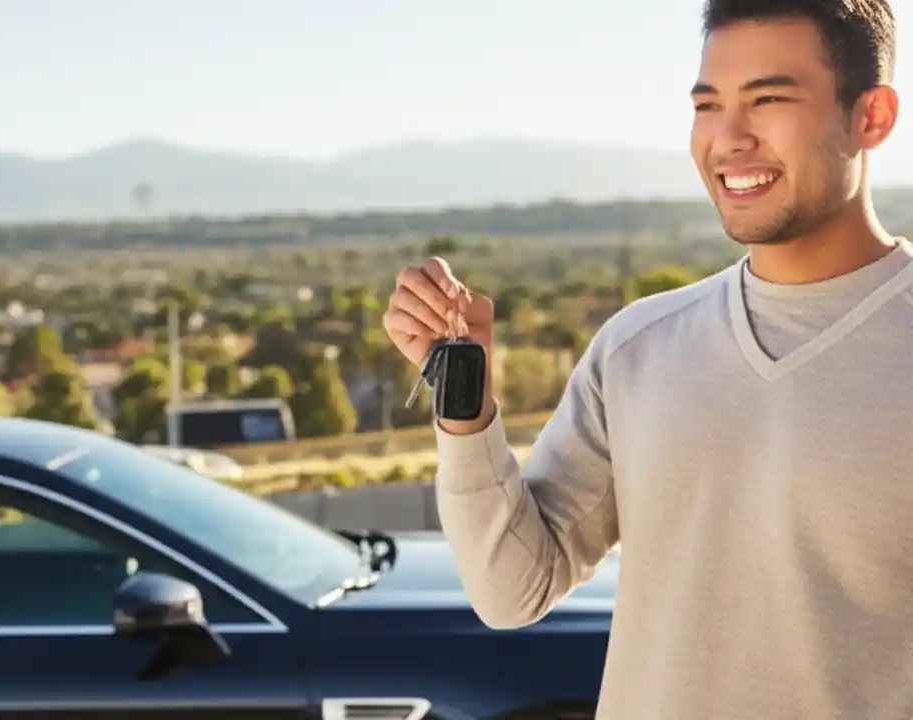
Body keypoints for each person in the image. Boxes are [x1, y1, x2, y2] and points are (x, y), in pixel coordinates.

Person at [383, 1, 907, 718]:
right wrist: (464, 407)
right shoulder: (637, 350)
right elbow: (513, 590)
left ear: (871, 116)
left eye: (769, 99)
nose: (728, 138)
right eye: (708, 104)